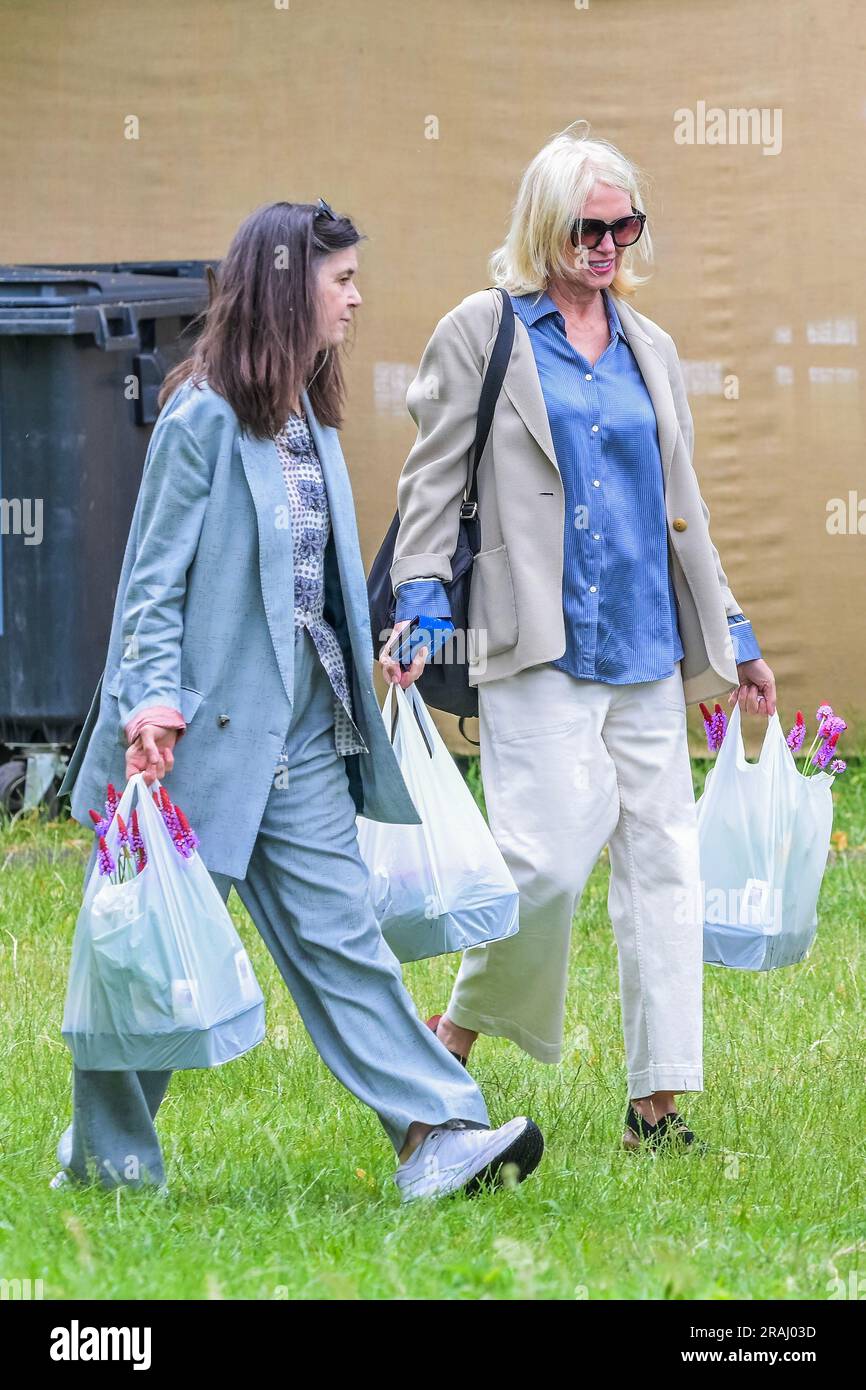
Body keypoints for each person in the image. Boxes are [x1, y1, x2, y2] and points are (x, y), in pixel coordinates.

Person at [52, 199, 543, 1201]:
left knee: (344, 942)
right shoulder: (201, 420)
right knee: (152, 953)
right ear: (285, 287)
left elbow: (309, 586)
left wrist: (377, 651)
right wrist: (151, 702)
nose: (356, 299)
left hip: (305, 738)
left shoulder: (306, 418)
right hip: (197, 747)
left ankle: (437, 1134)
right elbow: (151, 585)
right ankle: (104, 1163)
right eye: (341, 280)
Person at [379, 123, 776, 1153]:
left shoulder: (652, 348)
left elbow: (680, 507)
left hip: (646, 643)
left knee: (665, 868)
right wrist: (420, 599)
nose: (606, 246)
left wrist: (732, 633)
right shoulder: (482, 331)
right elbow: (430, 482)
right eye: (586, 229)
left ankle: (657, 1105)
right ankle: (453, 1036)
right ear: (542, 227)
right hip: (534, 641)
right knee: (543, 866)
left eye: (622, 227)